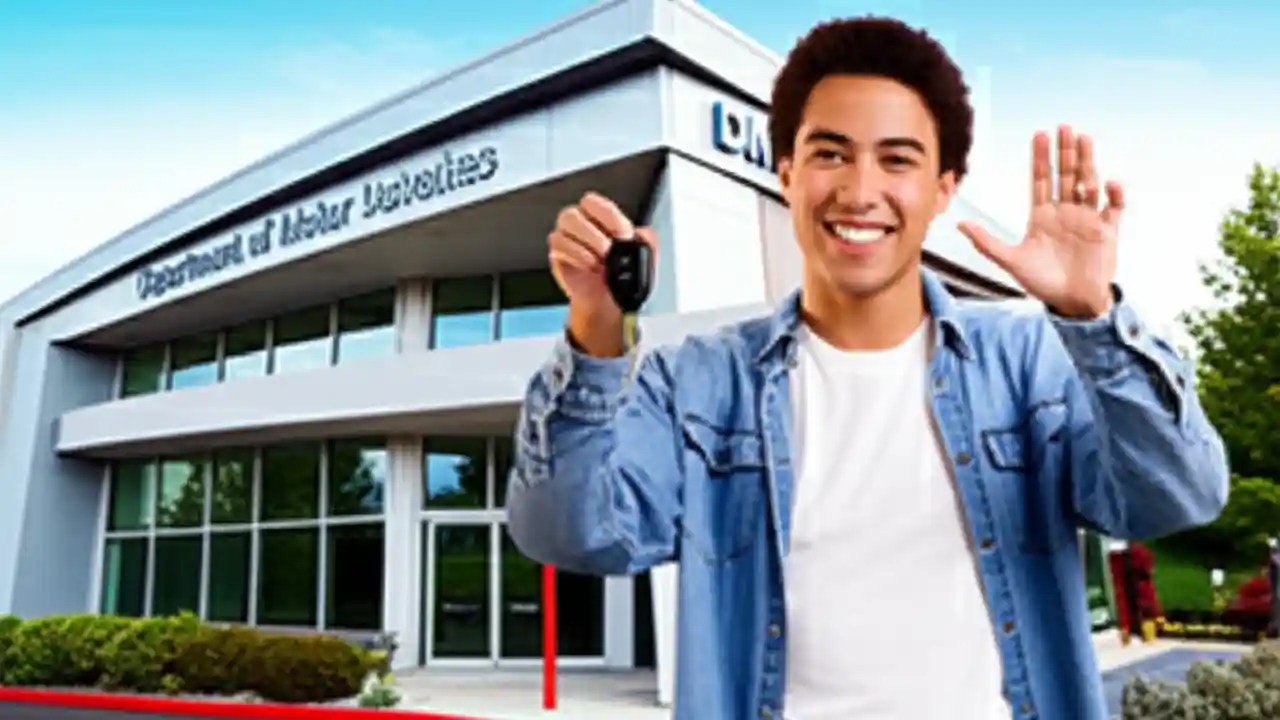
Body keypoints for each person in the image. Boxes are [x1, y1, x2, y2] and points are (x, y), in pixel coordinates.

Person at [505, 15, 1229, 720]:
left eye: (897, 158)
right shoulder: (696, 383)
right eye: (829, 154)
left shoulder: (1032, 363)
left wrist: (1092, 320)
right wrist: (597, 329)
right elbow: (570, 534)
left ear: (943, 187)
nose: (859, 190)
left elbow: (1177, 498)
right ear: (785, 172)